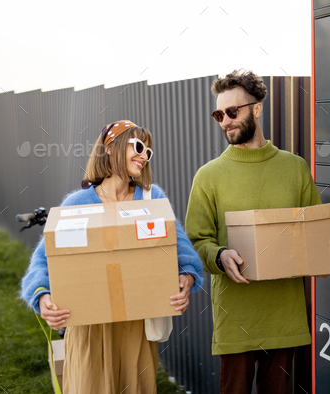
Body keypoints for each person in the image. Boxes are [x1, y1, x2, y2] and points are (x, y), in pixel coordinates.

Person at [21, 120, 204, 394]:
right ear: (111, 147)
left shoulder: (150, 199)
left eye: (148, 151)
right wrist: (42, 296)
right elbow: (43, 260)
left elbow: (183, 251)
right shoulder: (77, 203)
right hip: (87, 330)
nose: (144, 155)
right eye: (139, 147)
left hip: (136, 330)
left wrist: (186, 277)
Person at [185, 70, 322, 394]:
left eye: (233, 111)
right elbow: (195, 240)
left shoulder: (294, 168)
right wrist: (219, 255)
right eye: (219, 114)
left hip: (284, 318)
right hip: (237, 319)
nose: (225, 121)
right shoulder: (209, 176)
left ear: (256, 109)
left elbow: (316, 231)